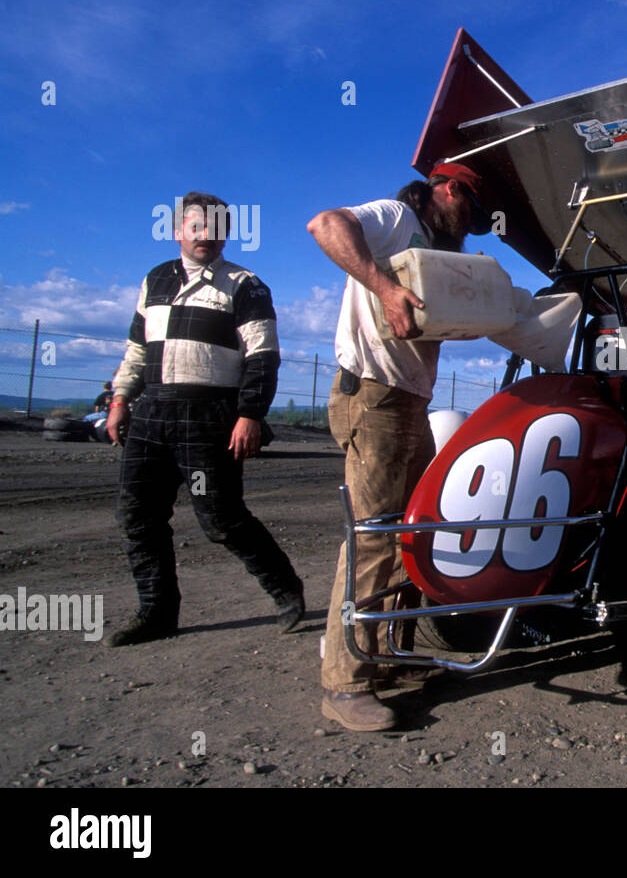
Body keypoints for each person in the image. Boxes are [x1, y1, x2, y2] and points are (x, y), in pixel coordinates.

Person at [309, 162, 491, 732]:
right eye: (471, 213)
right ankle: (345, 685)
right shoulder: (396, 217)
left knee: (406, 532)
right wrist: (385, 289)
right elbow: (325, 224)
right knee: (370, 537)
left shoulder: (430, 244)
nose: (470, 226)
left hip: (407, 400)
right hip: (374, 395)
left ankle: (383, 659)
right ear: (450, 190)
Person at [103, 193, 305, 647]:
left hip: (209, 419)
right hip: (151, 415)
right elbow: (137, 347)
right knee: (138, 515)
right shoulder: (155, 280)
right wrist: (120, 399)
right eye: (197, 228)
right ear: (179, 231)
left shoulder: (245, 285)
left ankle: (285, 588)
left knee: (220, 518)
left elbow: (263, 357)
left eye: (216, 230)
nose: (206, 237)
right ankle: (156, 613)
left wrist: (250, 415)